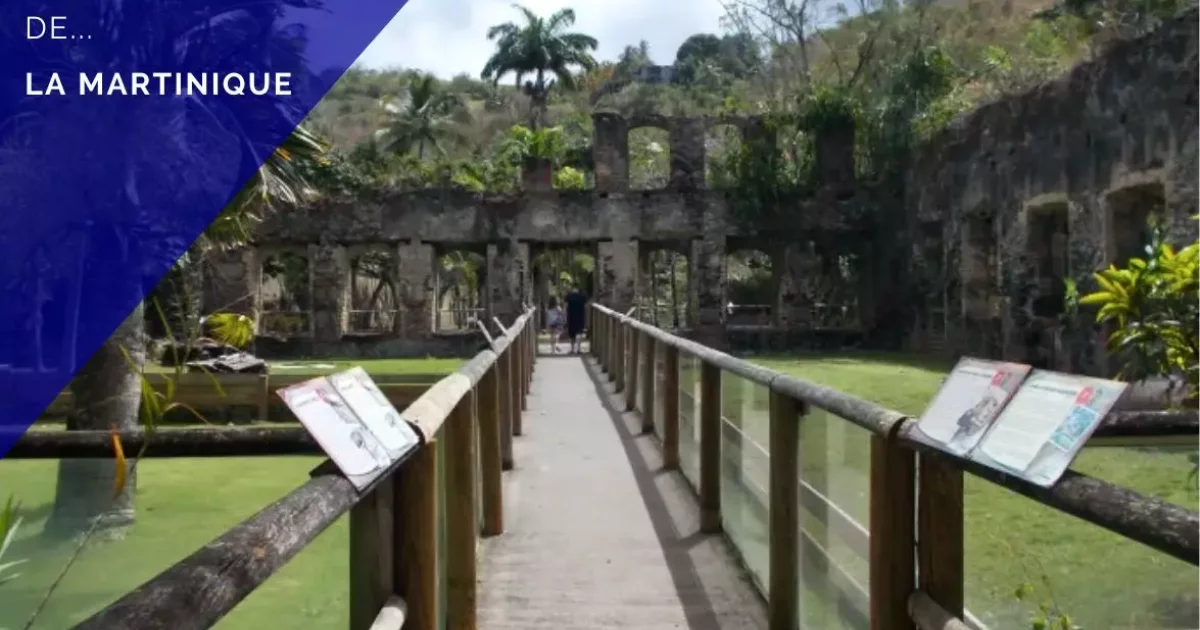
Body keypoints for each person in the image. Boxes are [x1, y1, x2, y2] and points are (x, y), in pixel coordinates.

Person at [563, 285, 587, 354]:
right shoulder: (582, 296)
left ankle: (572, 349)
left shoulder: (568, 296)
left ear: (572, 289)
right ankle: (578, 349)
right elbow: (585, 307)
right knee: (579, 332)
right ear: (578, 289)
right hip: (580, 316)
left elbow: (565, 307)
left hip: (571, 317)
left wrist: (564, 316)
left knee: (571, 334)